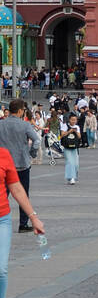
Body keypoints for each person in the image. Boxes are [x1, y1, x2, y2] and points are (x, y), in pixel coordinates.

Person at [0, 145, 47, 298]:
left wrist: (33, 216)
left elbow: (16, 187)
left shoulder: (3, 154)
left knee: (0, 269)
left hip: (1, 218)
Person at [0, 99, 41, 231]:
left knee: (3, 193)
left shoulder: (1, 124)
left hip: (4, 165)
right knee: (23, 194)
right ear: (19, 111)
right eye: (23, 110)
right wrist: (32, 154)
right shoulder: (25, 126)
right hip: (22, 165)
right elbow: (36, 141)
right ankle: (23, 223)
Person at [61, 116, 82, 183]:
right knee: (70, 162)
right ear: (69, 120)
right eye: (72, 120)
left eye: (75, 120)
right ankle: (71, 178)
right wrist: (69, 131)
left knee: (76, 163)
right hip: (67, 147)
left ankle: (73, 176)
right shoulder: (65, 126)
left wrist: (75, 131)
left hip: (74, 147)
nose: (73, 121)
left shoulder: (77, 127)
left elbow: (79, 136)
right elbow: (61, 135)